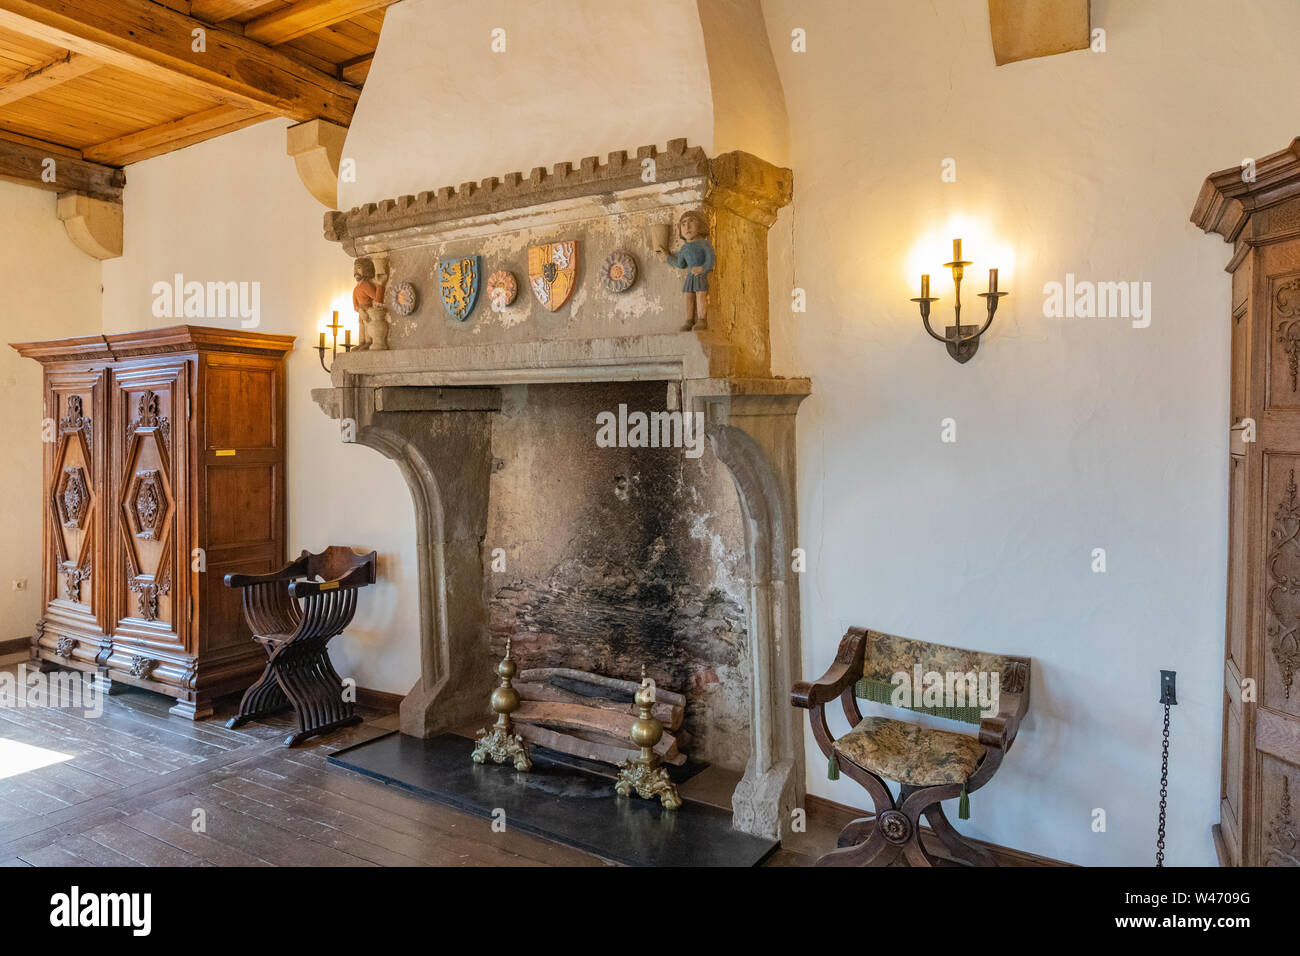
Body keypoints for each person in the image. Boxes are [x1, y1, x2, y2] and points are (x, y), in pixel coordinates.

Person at [659, 210, 715, 331]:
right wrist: (667, 258)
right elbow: (680, 264)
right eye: (683, 224)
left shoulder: (704, 244)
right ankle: (689, 320)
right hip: (690, 276)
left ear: (700, 225)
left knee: (700, 295)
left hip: (700, 275)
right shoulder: (684, 248)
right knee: (688, 296)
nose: (687, 227)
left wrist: (703, 268)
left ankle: (701, 319)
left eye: (691, 222)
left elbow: (711, 261)